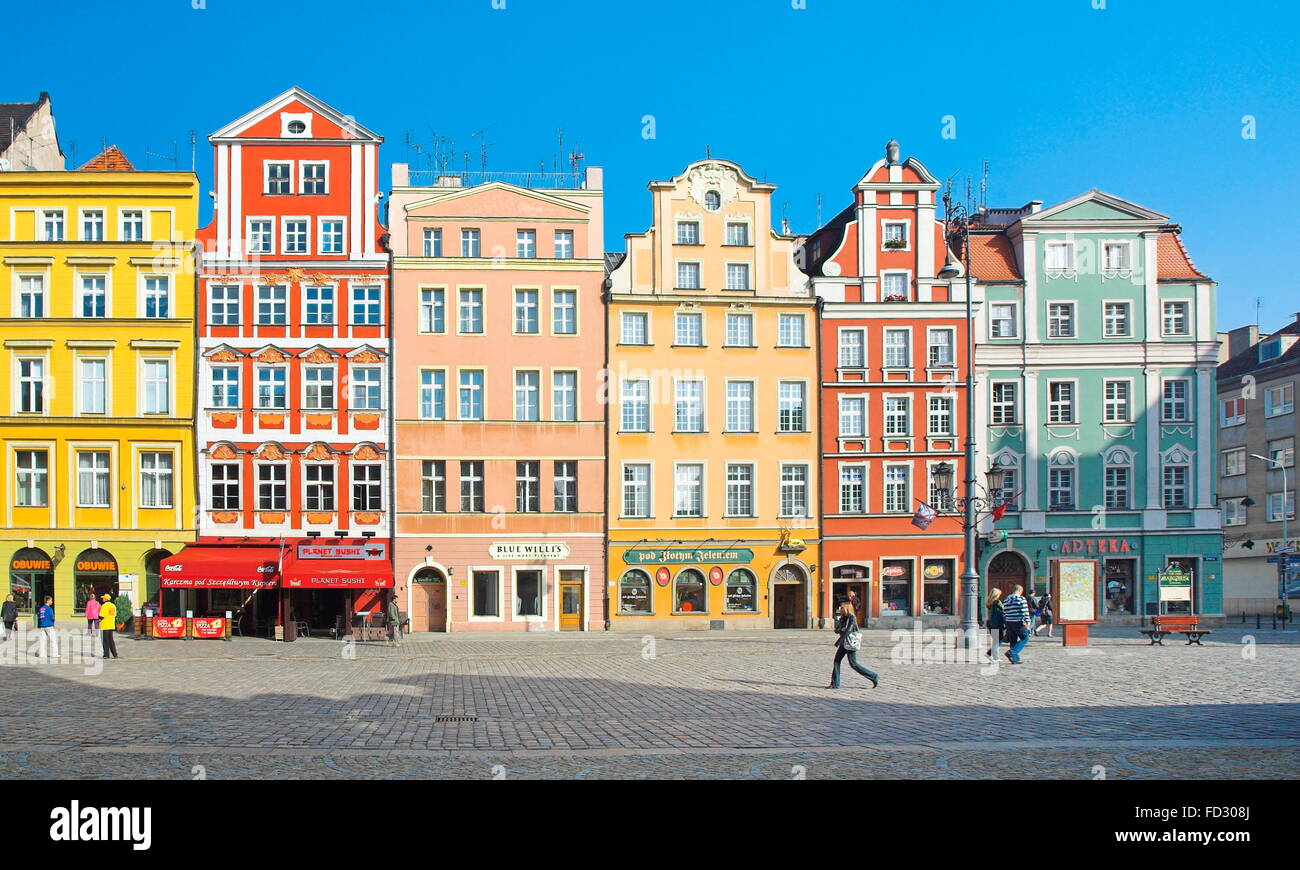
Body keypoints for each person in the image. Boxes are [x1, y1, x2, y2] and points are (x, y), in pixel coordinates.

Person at [827, 601, 879, 689]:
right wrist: (840, 629)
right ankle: (835, 683)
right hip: (844, 643)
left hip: (850, 643)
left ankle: (873, 676)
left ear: (847, 608)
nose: (840, 609)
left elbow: (849, 630)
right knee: (837, 661)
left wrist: (839, 640)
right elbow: (836, 630)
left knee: (853, 664)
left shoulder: (852, 618)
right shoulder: (842, 618)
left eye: (842, 608)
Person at [1001, 584, 1032, 664]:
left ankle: (1015, 659)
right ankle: (1012, 652)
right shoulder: (1021, 598)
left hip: (1009, 622)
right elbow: (1025, 612)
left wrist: (1006, 622)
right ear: (1020, 590)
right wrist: (1028, 623)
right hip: (1018, 622)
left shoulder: (1006, 599)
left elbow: (1004, 612)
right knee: (1025, 638)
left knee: (1013, 640)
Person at [984, 588, 1005, 662]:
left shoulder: (989, 602)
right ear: (996, 595)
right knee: (999, 640)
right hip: (997, 623)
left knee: (996, 640)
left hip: (990, 623)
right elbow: (1003, 610)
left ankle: (995, 656)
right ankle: (989, 654)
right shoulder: (997, 602)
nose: (1000, 596)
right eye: (999, 594)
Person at [36, 595, 58, 660]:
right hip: (49, 626)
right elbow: (52, 617)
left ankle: (42, 654)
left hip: (42, 626)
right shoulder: (49, 608)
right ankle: (54, 654)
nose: (52, 602)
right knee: (53, 640)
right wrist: (53, 621)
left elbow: (39, 616)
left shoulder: (41, 608)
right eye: (51, 600)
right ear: (48, 601)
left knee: (42, 641)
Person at [98, 594, 120, 660]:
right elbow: (114, 615)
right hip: (111, 624)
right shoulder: (113, 605)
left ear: (106, 599)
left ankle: (106, 655)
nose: (102, 599)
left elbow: (101, 615)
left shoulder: (104, 606)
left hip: (105, 625)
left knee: (105, 640)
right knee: (111, 640)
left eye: (103, 598)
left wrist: (98, 618)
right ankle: (115, 654)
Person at [84, 593, 102, 657]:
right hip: (96, 615)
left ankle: (89, 633)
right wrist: (99, 614)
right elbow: (100, 608)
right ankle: (97, 634)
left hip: (90, 614)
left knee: (89, 624)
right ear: (95, 597)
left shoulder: (89, 602)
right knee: (97, 625)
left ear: (90, 597)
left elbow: (87, 608)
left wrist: (86, 614)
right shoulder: (97, 602)